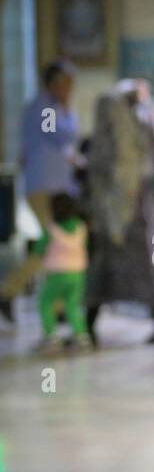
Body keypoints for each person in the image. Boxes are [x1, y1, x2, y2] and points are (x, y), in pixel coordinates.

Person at [84, 81, 154, 345]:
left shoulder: (133, 122)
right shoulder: (132, 119)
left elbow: (102, 167)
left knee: (117, 265)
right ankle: (92, 323)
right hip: (125, 207)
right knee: (112, 266)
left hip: (125, 209)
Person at [3, 61, 81, 323]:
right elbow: (60, 135)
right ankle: (10, 291)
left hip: (57, 186)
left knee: (53, 245)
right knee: (52, 243)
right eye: (66, 83)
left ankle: (55, 304)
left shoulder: (54, 107)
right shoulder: (44, 108)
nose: (70, 89)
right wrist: (67, 109)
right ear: (55, 83)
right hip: (43, 187)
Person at [33, 192, 90, 354]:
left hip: (57, 273)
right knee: (73, 305)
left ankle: (51, 337)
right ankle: (82, 336)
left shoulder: (51, 229)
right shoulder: (81, 227)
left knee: (46, 302)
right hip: (78, 273)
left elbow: (39, 249)